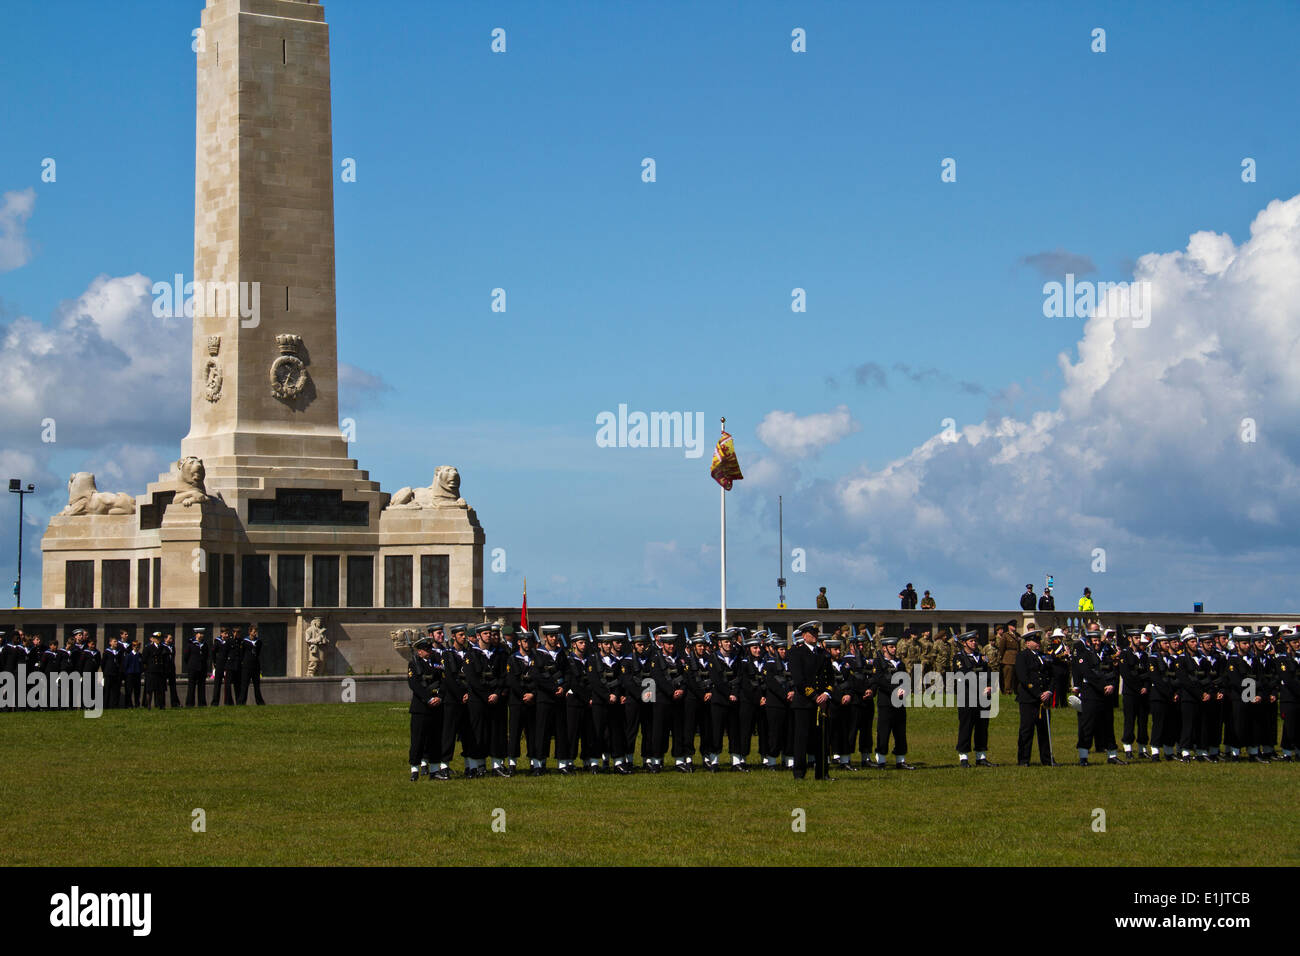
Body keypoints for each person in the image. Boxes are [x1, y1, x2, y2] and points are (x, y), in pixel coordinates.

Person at [787, 622, 833, 779]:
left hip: (823, 702)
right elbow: (799, 680)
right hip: (804, 703)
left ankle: (822, 773)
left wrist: (826, 694)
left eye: (816, 634)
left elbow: (830, 679)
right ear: (804, 636)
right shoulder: (796, 653)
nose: (814, 636)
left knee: (822, 739)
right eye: (811, 634)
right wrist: (815, 697)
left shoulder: (823, 654)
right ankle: (799, 773)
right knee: (802, 739)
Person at [1071, 625, 1122, 765]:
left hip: (1106, 694)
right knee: (1088, 725)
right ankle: (1083, 757)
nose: (1097, 642)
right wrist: (1103, 686)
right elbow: (1088, 674)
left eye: (1098, 640)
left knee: (1108, 724)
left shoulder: (1105, 655)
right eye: (1094, 640)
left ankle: (1112, 755)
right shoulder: (1084, 655)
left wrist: (1111, 684)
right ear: (1088, 642)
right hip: (1091, 692)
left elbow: (1112, 671)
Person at [952, 630, 995, 767]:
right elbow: (963, 675)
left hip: (983, 697)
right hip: (967, 696)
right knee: (966, 726)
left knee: (982, 726)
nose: (974, 643)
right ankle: (963, 756)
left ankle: (981, 756)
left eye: (975, 640)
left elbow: (989, 673)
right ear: (964, 643)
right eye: (971, 641)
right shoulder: (959, 658)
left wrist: (989, 686)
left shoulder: (981, 657)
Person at [1014, 629, 1055, 765]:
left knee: (1044, 731)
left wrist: (1049, 691)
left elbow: (1052, 675)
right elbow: (1023, 678)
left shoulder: (1044, 656)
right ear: (1027, 643)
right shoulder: (1022, 656)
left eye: (1038, 641)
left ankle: (1047, 759)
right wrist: (1038, 693)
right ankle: (1024, 759)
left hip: (1045, 699)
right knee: (1027, 730)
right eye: (1035, 641)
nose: (1038, 643)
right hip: (1029, 699)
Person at [873, 637, 915, 769]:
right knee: (884, 731)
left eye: (894, 646)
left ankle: (900, 759)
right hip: (885, 702)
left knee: (900, 732)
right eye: (891, 647)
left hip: (899, 702)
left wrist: (905, 689)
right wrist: (894, 690)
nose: (894, 649)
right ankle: (881, 760)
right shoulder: (878, 662)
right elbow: (879, 680)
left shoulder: (899, 663)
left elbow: (906, 679)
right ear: (884, 648)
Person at [407, 635, 444, 780]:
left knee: (435, 739)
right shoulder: (414, 664)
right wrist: (428, 698)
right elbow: (414, 684)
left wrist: (439, 697)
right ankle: (415, 769)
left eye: (430, 648)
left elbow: (443, 681)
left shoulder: (437, 663)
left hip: (436, 706)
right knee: (418, 739)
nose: (429, 651)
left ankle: (434, 769)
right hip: (421, 707)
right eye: (425, 649)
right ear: (419, 652)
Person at [506, 629, 539, 775]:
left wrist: (532, 693)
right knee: (515, 733)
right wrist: (524, 694)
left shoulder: (537, 658)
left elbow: (539, 679)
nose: (528, 644)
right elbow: (512, 680)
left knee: (532, 733)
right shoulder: (513, 658)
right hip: (517, 701)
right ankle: (512, 763)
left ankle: (534, 762)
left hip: (532, 700)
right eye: (525, 641)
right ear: (519, 642)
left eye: (530, 641)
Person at [238, 624, 266, 705]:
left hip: (255, 666)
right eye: (254, 632)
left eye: (256, 632)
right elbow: (241, 653)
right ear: (250, 632)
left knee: (257, 685)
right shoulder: (244, 642)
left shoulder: (258, 642)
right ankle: (242, 701)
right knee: (244, 685)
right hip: (246, 666)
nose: (255, 633)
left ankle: (259, 701)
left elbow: (258, 653)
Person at [184, 628, 210, 707]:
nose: (202, 635)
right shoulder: (191, 644)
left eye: (202, 634)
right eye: (200, 633)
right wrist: (190, 664)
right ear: (196, 634)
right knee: (191, 686)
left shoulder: (204, 644)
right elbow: (186, 656)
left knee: (201, 686)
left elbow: (206, 656)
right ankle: (190, 703)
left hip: (202, 668)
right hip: (193, 668)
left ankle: (202, 703)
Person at [142, 632, 167, 709]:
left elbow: (165, 659)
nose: (158, 640)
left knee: (160, 689)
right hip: (151, 671)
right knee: (150, 689)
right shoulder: (148, 648)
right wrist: (147, 670)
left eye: (159, 638)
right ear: (153, 639)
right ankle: (148, 705)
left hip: (160, 671)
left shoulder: (163, 647)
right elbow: (144, 660)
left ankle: (160, 705)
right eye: (157, 638)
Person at [163, 634, 182, 707]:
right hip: (164, 669)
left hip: (171, 668)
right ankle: (162, 703)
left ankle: (175, 702)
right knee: (163, 687)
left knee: (173, 686)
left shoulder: (172, 647)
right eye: (169, 638)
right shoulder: (162, 647)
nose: (171, 640)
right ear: (165, 639)